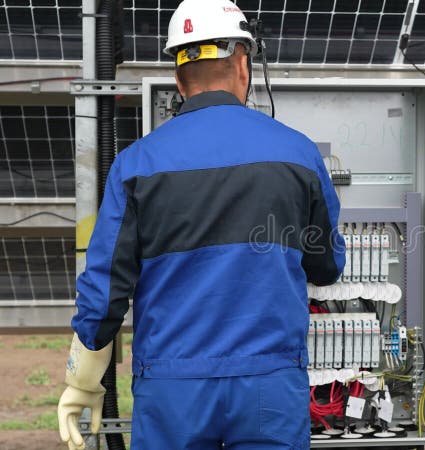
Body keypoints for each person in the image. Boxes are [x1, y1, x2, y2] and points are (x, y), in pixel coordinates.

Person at [56, 0, 344, 447]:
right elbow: (326, 267)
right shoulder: (299, 154)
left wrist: (82, 380)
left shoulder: (136, 164)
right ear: (244, 65)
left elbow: (105, 286)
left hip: (173, 388)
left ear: (178, 78)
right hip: (269, 383)